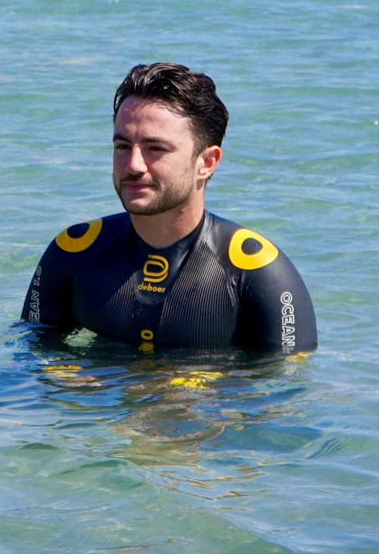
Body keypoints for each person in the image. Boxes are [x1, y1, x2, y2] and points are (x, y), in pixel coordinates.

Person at [22, 63, 316, 354]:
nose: (134, 165)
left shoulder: (257, 272)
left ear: (207, 162)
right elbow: (31, 362)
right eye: (123, 146)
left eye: (156, 148)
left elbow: (284, 389)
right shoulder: (73, 252)